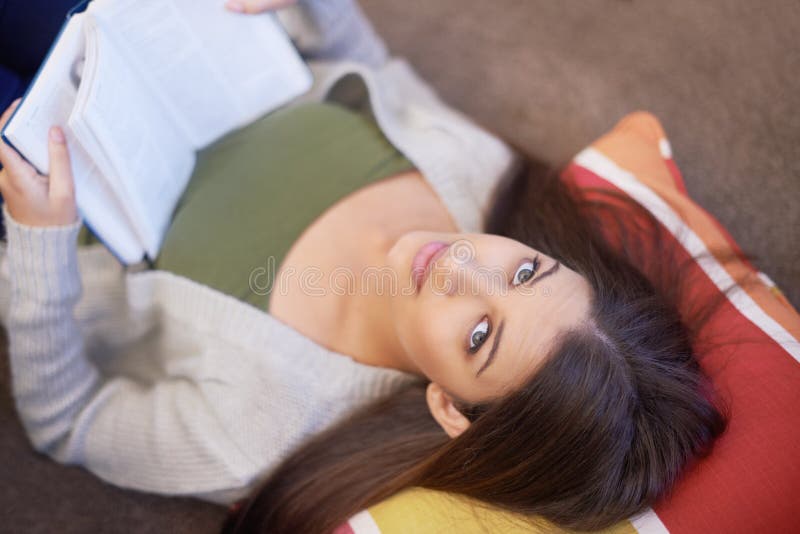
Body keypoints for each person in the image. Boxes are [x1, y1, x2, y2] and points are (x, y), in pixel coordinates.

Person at [0, 1, 726, 533]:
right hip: (154, 50)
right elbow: (374, 70)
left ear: (449, 407)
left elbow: (66, 420)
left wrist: (39, 240)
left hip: (52, 188)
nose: (463, 266)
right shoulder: (485, 176)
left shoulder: (260, 426)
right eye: (527, 273)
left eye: (479, 336)